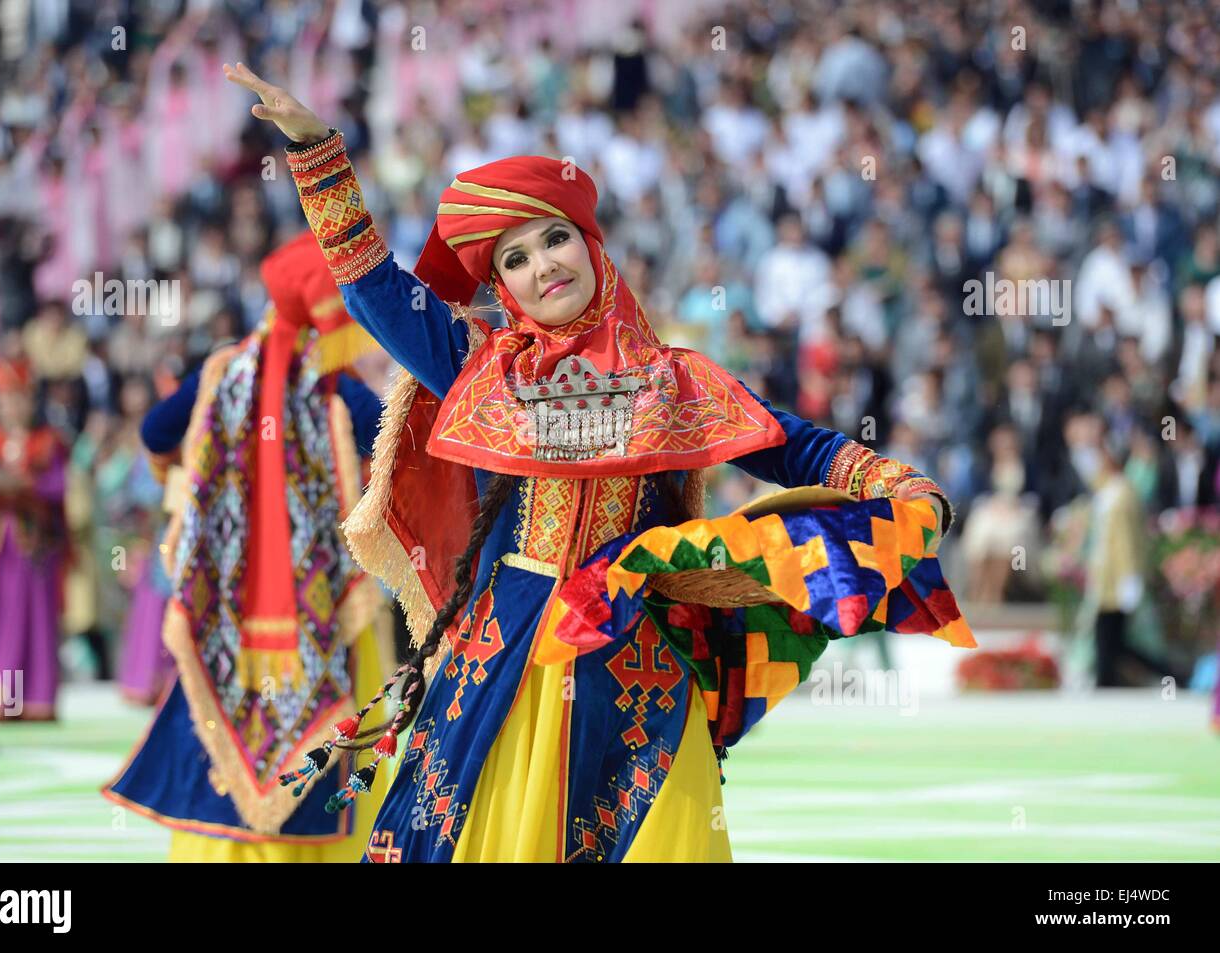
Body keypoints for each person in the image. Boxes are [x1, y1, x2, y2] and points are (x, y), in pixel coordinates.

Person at [228, 62, 959, 862]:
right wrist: (315, 149)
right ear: (501, 286)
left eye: (554, 238)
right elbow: (372, 287)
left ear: (590, 243)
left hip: (630, 657)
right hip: (502, 654)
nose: (543, 266)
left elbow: (794, 445)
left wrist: (895, 485)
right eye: (514, 259)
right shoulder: (483, 374)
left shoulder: (674, 381)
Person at [103, 231, 395, 861]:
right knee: (338, 740)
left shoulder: (222, 371)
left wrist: (194, 473)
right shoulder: (335, 391)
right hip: (321, 614)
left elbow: (155, 431)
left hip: (227, 610)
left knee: (218, 720)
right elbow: (393, 450)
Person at [0, 358, 70, 721]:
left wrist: (24, 487)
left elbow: (57, 486)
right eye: (3, 398)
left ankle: (32, 697)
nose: (10, 405)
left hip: (33, 544)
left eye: (17, 397)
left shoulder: (48, 442)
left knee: (31, 618)